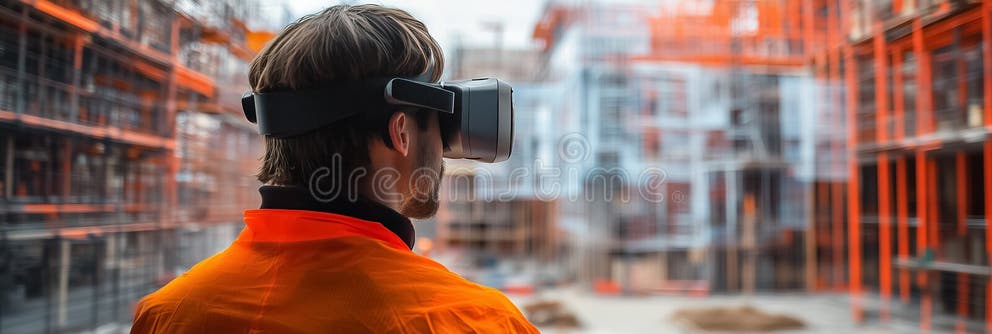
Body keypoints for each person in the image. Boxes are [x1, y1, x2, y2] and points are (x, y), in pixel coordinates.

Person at [131, 4, 537, 333]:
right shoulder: (474, 321)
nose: (443, 151)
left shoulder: (166, 315)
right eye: (436, 124)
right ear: (401, 132)